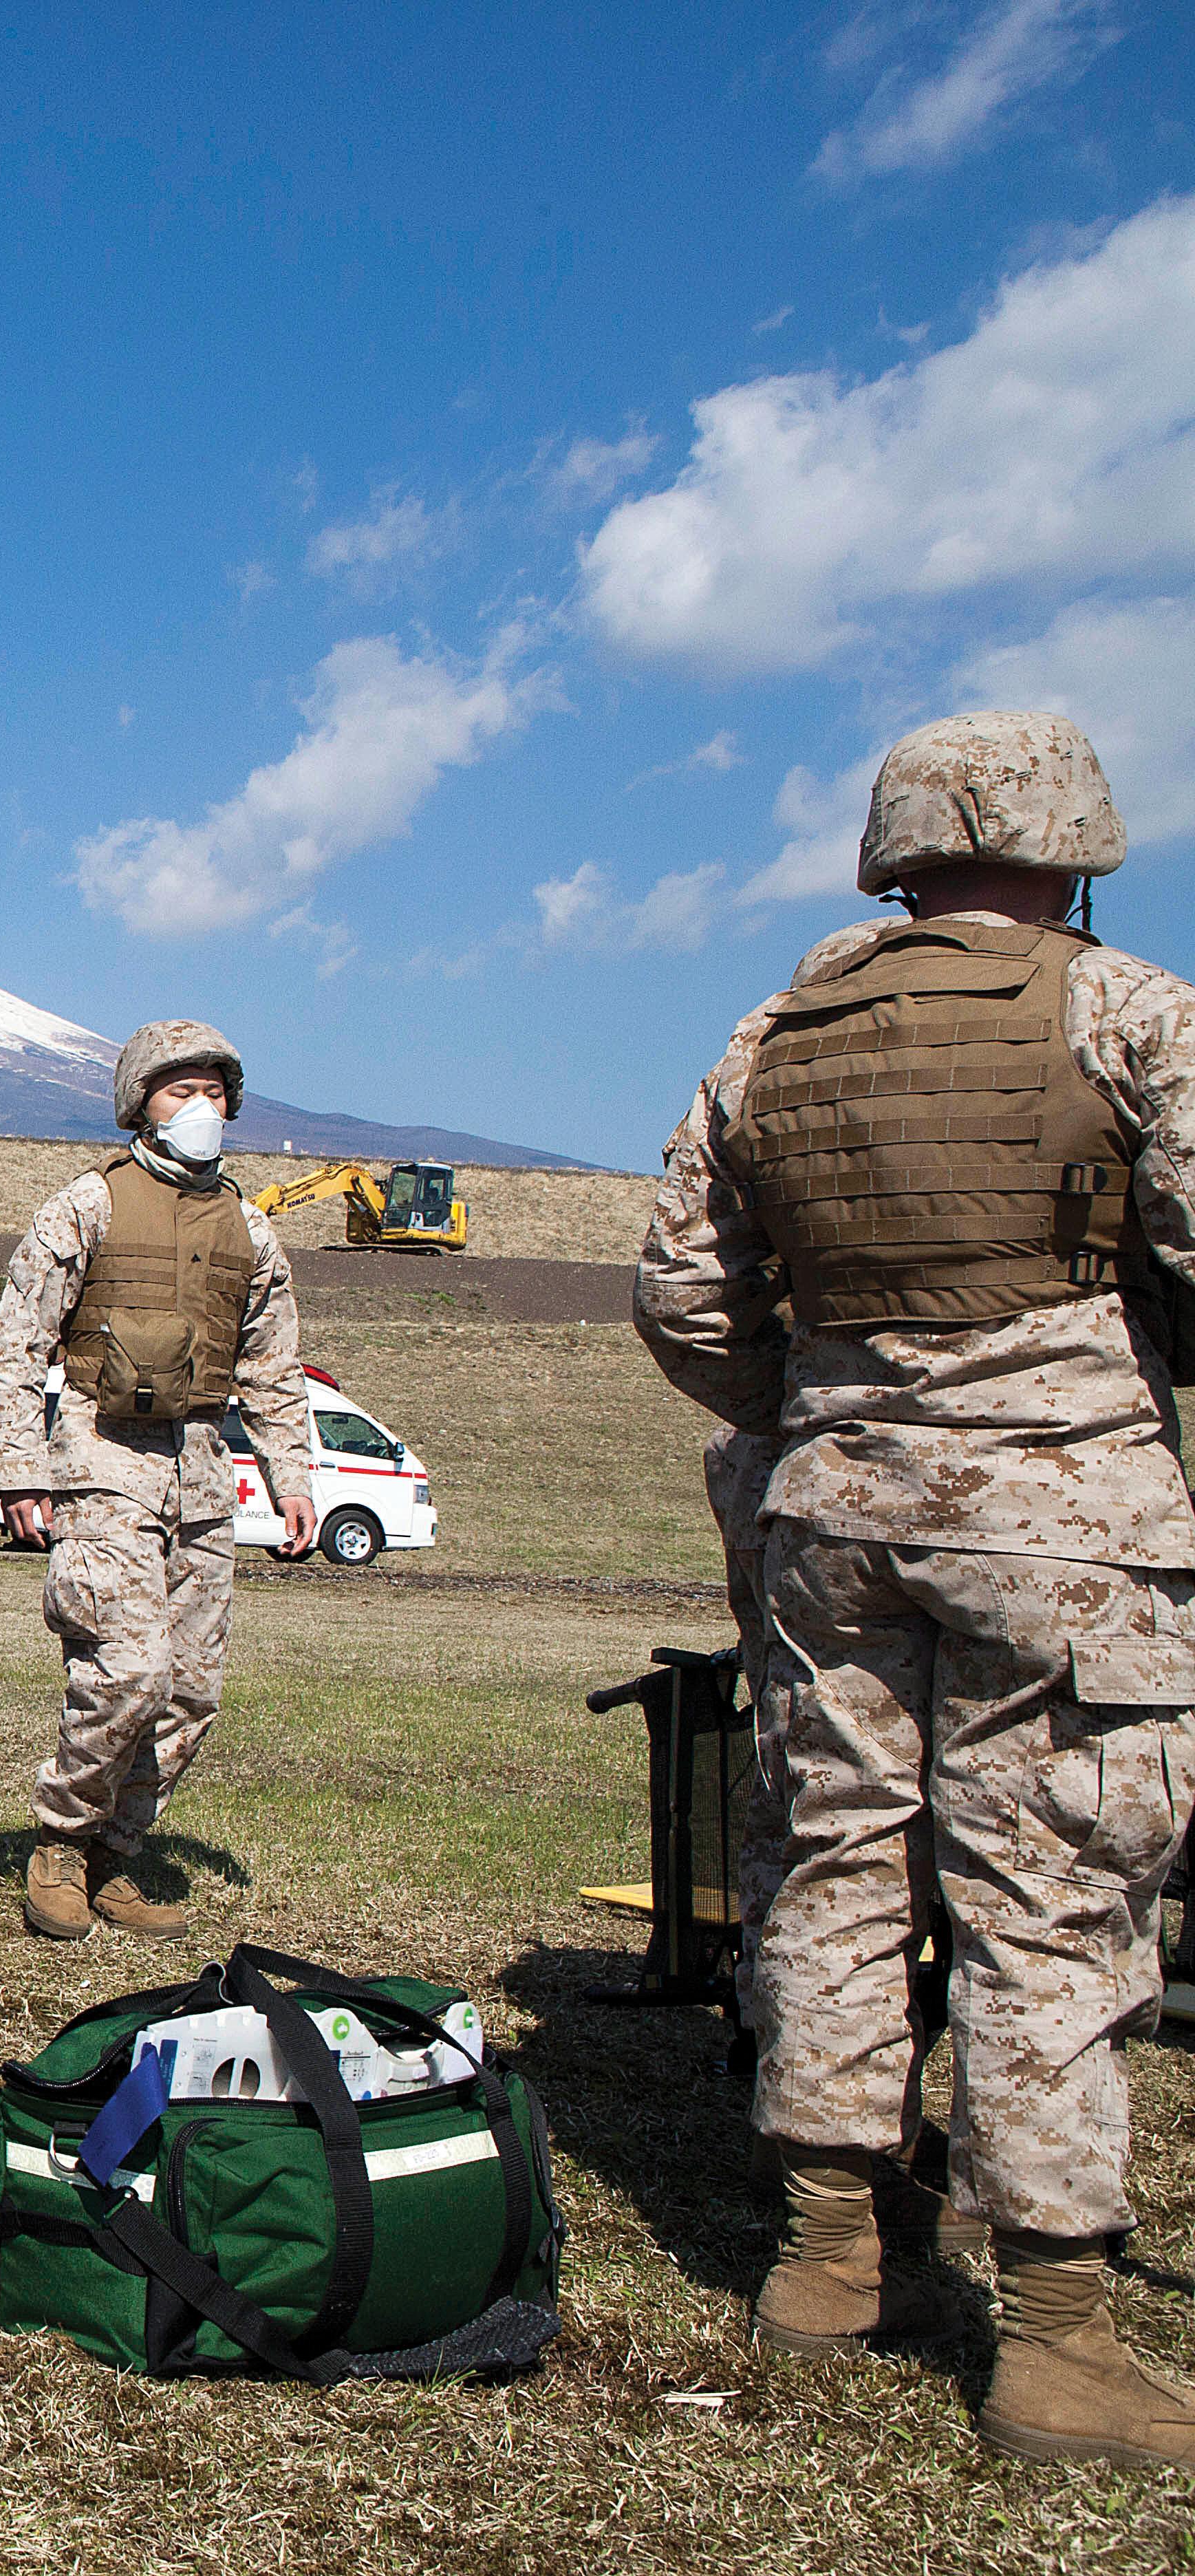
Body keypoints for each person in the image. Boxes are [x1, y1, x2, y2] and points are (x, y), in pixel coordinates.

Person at [636, 709, 1195, 2468]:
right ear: (1076, 838)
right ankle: (1057, 2336)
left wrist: (824, 1409)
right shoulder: (1128, 1012)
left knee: (828, 1852)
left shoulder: (769, 1036)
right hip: (1062, 1515)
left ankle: (821, 2253)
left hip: (826, 1514)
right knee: (1051, 1890)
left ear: (894, 848)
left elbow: (682, 1294)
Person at [0, 1021, 316, 1942]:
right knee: (130, 1667)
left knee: (191, 1692)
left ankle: (110, 1859)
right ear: (140, 1103)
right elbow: (17, 1348)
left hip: (204, 1474)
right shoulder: (84, 1207)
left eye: (214, 1091)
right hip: (101, 1460)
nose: (201, 1108)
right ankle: (59, 1843)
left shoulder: (253, 1233)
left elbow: (275, 1371)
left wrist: (293, 1478)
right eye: (180, 1091)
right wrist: (17, 1471)